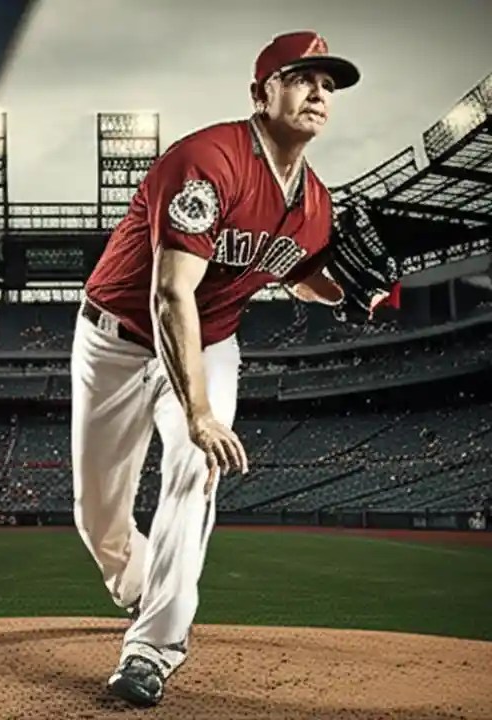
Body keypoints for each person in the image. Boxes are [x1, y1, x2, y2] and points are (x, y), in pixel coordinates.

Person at [70, 31, 367, 708]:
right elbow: (169, 292)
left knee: (194, 472)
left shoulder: (313, 201)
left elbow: (300, 277)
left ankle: (152, 649)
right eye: (300, 77)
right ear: (261, 92)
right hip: (118, 339)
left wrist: (357, 288)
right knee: (98, 516)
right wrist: (198, 411)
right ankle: (142, 590)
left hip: (211, 343)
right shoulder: (208, 160)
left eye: (329, 83)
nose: (318, 91)